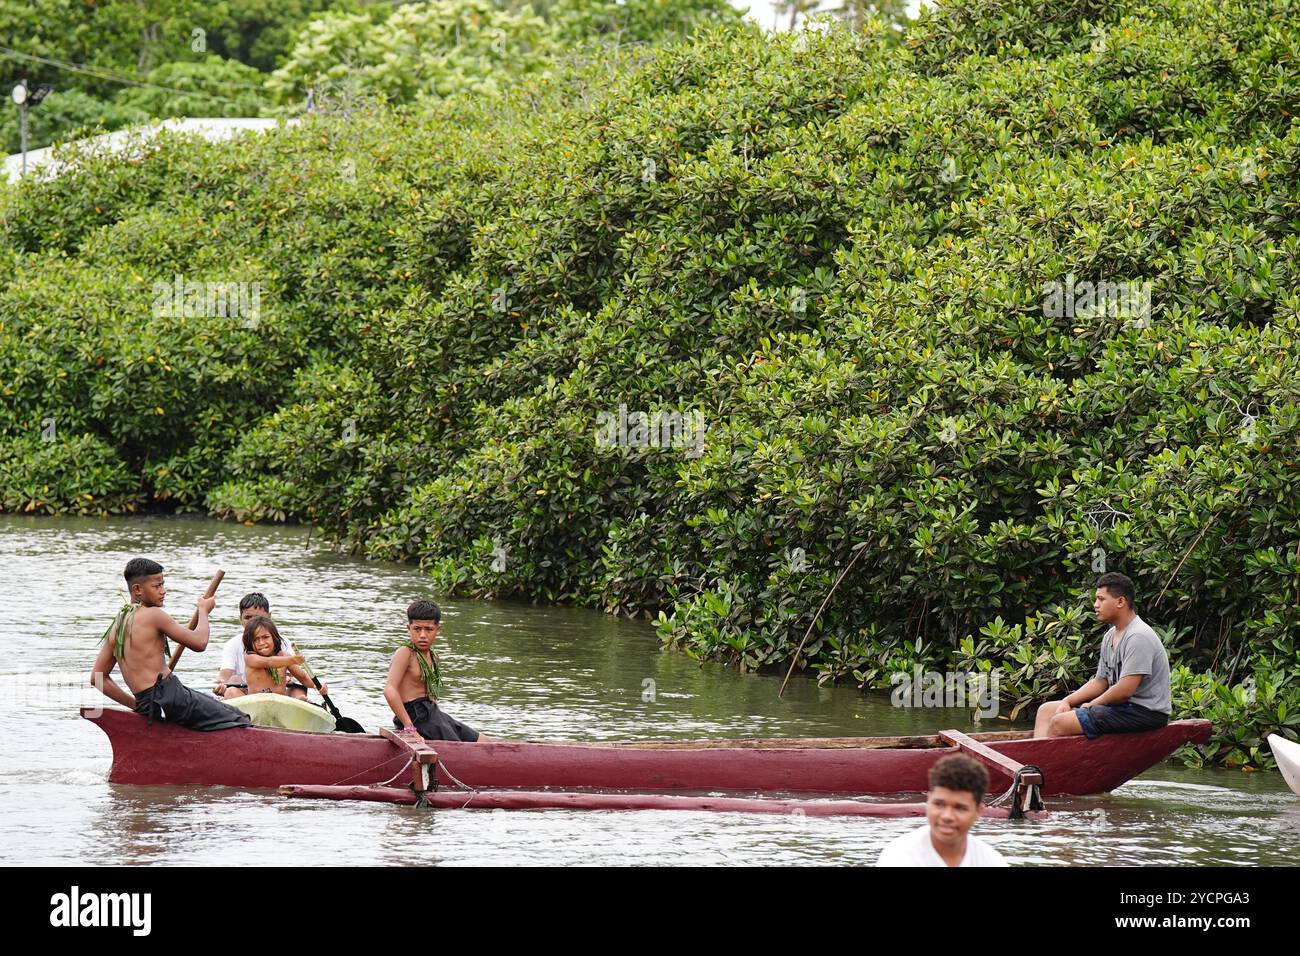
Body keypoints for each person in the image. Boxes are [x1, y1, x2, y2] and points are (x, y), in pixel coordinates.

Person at [89, 558, 250, 731]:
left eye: (163, 585)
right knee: (240, 718)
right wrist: (203, 611)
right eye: (157, 586)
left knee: (226, 709)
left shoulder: (117, 625)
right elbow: (199, 642)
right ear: (137, 589)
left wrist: (138, 706)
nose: (163, 591)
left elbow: (97, 678)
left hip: (151, 702)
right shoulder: (153, 615)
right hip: (169, 698)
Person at [1033, 572, 1171, 739]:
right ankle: (1034, 764)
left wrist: (1091, 705)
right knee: (1047, 711)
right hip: (1121, 708)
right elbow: (1101, 681)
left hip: (1144, 712)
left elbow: (1125, 690)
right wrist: (1068, 701)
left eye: (1101, 599)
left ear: (1121, 601)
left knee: (1059, 723)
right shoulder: (1110, 635)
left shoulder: (1138, 636)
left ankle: (1045, 764)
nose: (1096, 605)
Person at [876, 755, 1009, 867]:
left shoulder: (992, 861)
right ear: (928, 801)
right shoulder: (899, 856)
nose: (947, 816)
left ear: (978, 812)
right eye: (939, 804)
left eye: (960, 808)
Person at [384, 599, 484, 742]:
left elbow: (429, 692)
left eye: (429, 629)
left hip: (432, 713)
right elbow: (389, 690)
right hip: (415, 716)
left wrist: (437, 713)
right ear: (408, 628)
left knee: (482, 741)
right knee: (458, 747)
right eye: (417, 629)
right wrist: (409, 728)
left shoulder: (433, 656)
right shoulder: (405, 653)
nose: (423, 635)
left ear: (437, 629)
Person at [213, 593, 310, 700]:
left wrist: (318, 686)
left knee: (298, 686)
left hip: (280, 696)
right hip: (248, 695)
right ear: (240, 619)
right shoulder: (238, 648)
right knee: (233, 682)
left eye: (258, 618)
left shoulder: (283, 643)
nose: (253, 623)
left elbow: (302, 676)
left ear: (269, 617)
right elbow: (225, 675)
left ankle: (301, 701)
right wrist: (220, 684)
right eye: (248, 618)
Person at [241, 615, 326, 697]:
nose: (261, 643)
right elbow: (269, 662)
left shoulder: (283, 655)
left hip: (280, 702)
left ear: (274, 638)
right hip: (256, 702)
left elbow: (303, 677)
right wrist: (294, 660)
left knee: (299, 689)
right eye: (255, 639)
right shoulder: (249, 657)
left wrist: (318, 686)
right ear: (249, 642)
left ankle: (300, 699)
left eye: (265, 637)